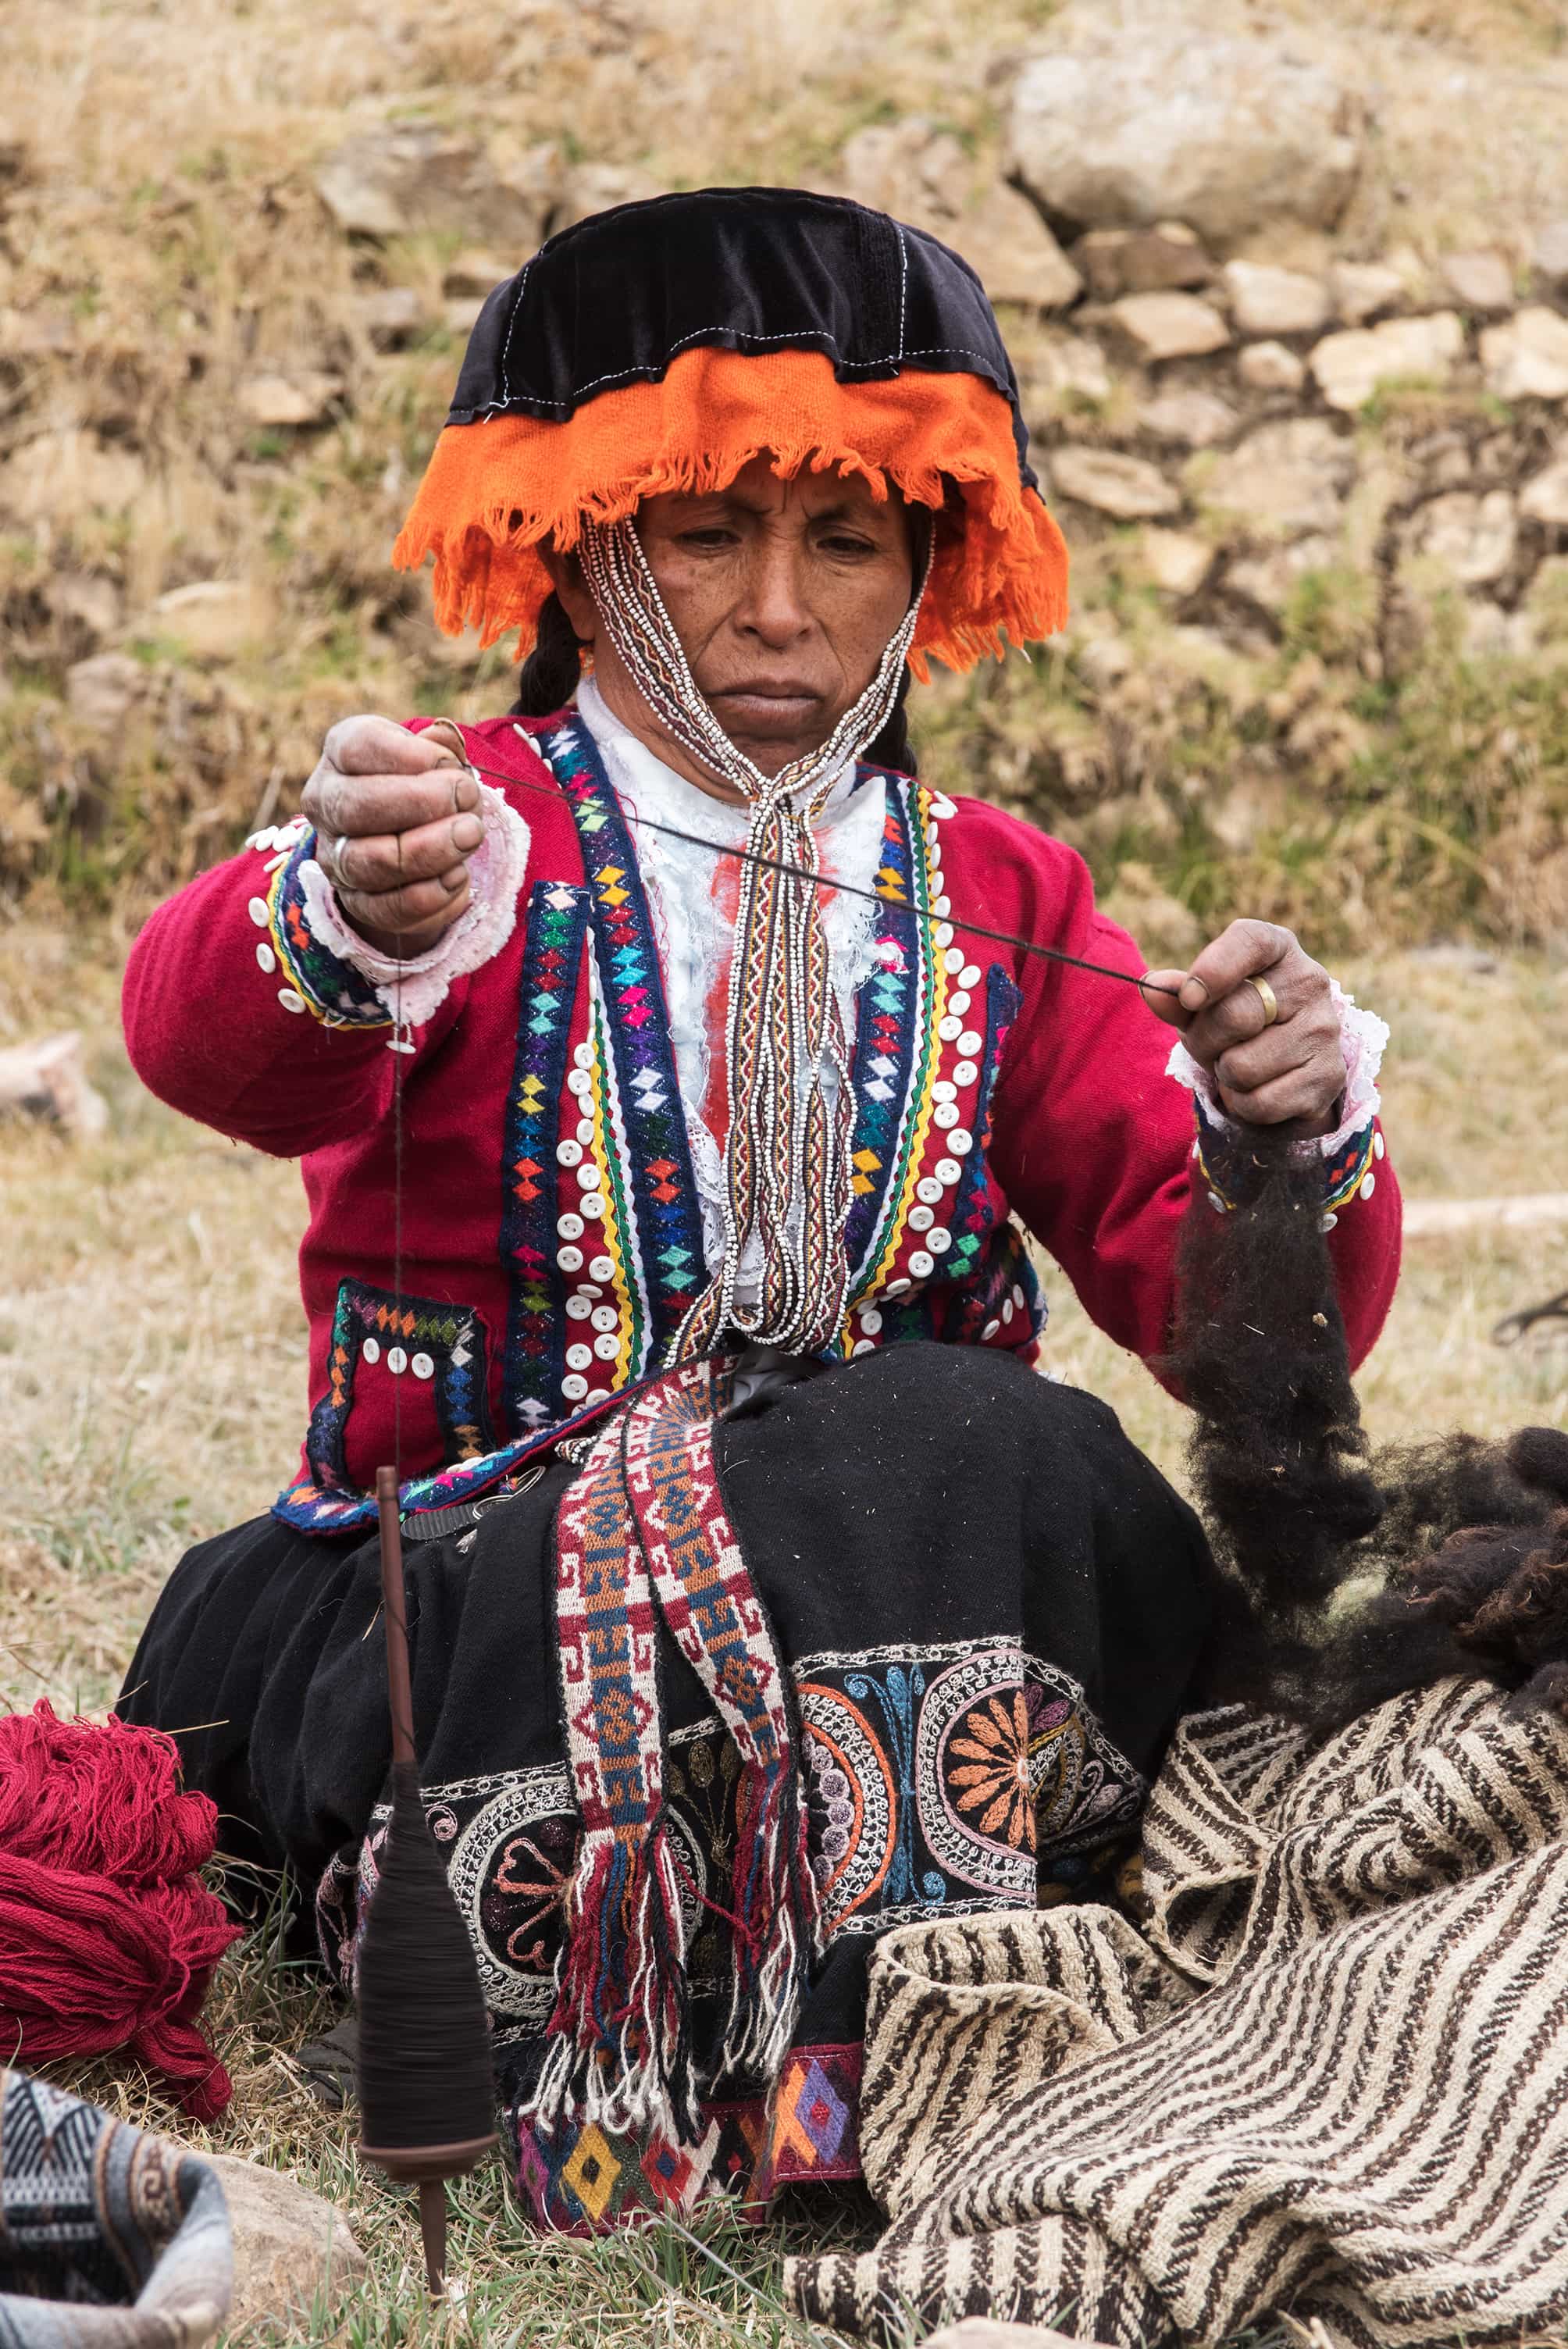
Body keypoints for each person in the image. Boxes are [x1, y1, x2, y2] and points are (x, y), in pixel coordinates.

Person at [118, 187, 1401, 2229]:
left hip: (906, 1583)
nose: (782, 610)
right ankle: (741, 2052)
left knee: (995, 1440)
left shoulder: (1003, 898)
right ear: (586, 541)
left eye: (848, 540)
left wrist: (1281, 1130)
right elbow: (204, 1046)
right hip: (484, 1603)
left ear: (923, 573)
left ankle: (883, 2030)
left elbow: (1222, 1316)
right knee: (896, 1445)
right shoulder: (459, 837)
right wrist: (343, 914)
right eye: (709, 534)